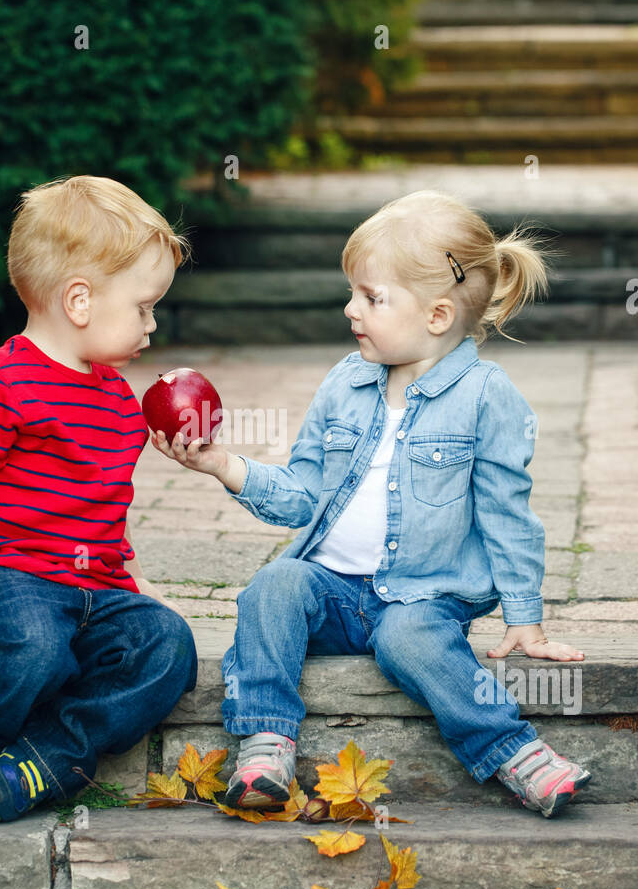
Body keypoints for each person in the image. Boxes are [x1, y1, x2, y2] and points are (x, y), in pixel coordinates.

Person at [151, 190, 591, 818]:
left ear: (437, 315)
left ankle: (515, 750)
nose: (351, 308)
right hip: (331, 588)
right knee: (274, 585)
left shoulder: (488, 397)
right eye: (354, 292)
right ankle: (265, 741)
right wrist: (224, 465)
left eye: (372, 297)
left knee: (414, 639)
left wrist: (525, 618)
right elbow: (304, 495)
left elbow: (508, 516)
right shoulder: (345, 382)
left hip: (423, 596)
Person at [0, 175, 197, 824]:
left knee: (168, 645)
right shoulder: (5, 382)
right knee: (33, 645)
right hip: (13, 576)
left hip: (96, 586)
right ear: (80, 301)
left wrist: (139, 586)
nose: (153, 323)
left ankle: (47, 757)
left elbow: (102, 511)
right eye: (144, 307)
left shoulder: (118, 400)